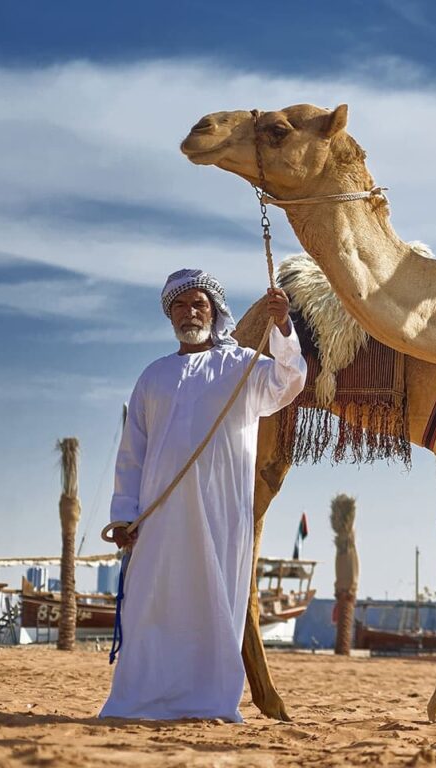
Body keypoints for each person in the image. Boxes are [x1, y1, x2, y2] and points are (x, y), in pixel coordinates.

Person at [100, 269, 306, 721]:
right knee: (152, 603)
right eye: (181, 305)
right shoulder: (152, 376)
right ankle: (139, 702)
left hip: (221, 512)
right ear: (169, 314)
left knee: (214, 603)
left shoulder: (243, 366)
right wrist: (123, 514)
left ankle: (210, 701)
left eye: (200, 304)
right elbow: (131, 451)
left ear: (214, 311)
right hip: (159, 518)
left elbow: (290, 382)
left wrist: (284, 327)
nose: (190, 312)